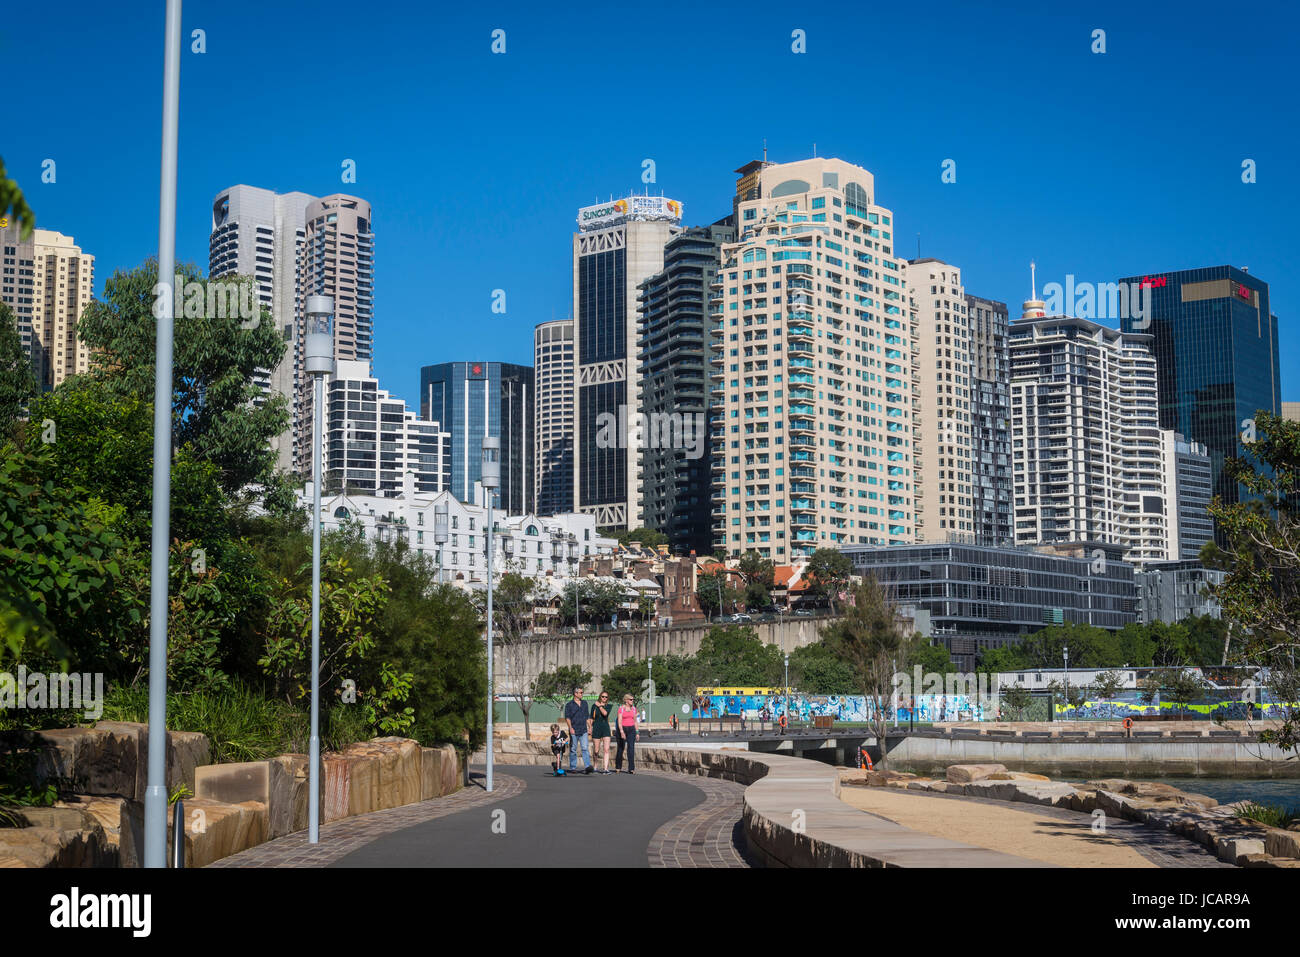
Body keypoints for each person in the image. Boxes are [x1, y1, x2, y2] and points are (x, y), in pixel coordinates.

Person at [563, 686, 594, 774]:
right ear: (575, 694)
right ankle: (573, 767)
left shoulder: (584, 703)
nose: (582, 694)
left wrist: (590, 727)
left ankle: (587, 766)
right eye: (581, 692)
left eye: (582, 692)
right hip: (574, 730)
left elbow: (587, 717)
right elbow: (567, 718)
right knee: (573, 749)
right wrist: (570, 728)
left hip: (583, 730)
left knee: (585, 748)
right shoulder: (569, 705)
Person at [589, 691, 614, 774]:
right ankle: (595, 765)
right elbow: (591, 718)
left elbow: (605, 713)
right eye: (603, 696)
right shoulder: (594, 706)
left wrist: (599, 706)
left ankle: (606, 768)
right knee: (596, 750)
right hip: (596, 727)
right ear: (600, 697)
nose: (604, 698)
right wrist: (590, 728)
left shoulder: (608, 706)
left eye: (606, 697)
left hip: (605, 728)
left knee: (606, 749)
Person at [615, 694, 639, 773]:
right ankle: (618, 767)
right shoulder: (621, 709)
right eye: (631, 699)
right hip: (622, 729)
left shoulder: (634, 709)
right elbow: (619, 722)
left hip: (631, 729)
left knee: (631, 748)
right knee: (621, 748)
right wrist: (621, 731)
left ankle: (631, 768)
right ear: (626, 700)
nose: (632, 701)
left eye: (633, 700)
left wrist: (637, 732)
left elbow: (635, 721)